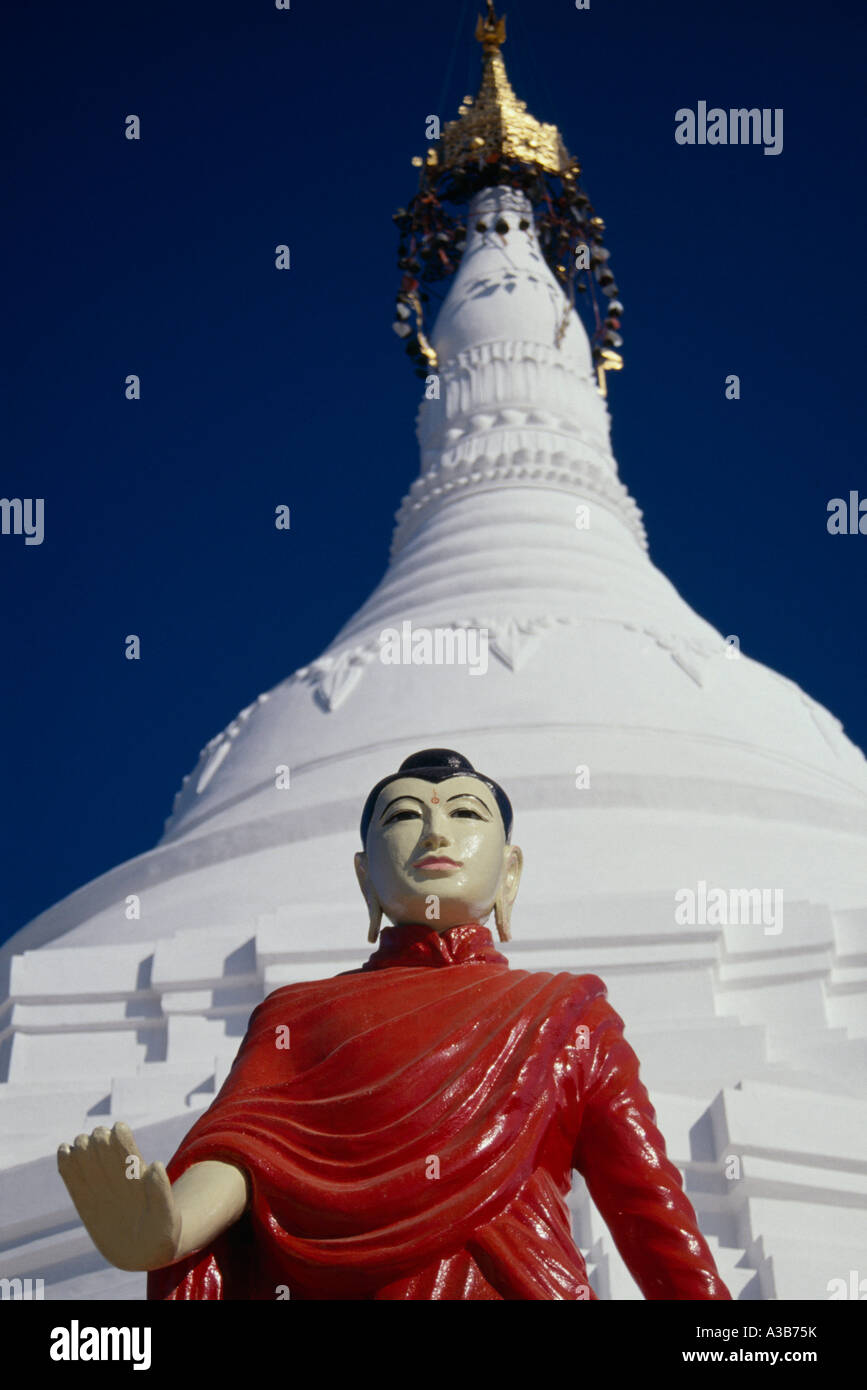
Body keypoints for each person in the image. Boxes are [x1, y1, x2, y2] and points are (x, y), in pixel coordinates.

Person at [58, 748, 731, 1300]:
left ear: (510, 875)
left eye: (466, 815)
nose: (436, 833)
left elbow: (649, 1208)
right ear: (365, 882)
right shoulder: (295, 1013)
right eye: (403, 817)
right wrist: (169, 1232)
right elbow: (245, 1155)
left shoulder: (565, 1012)